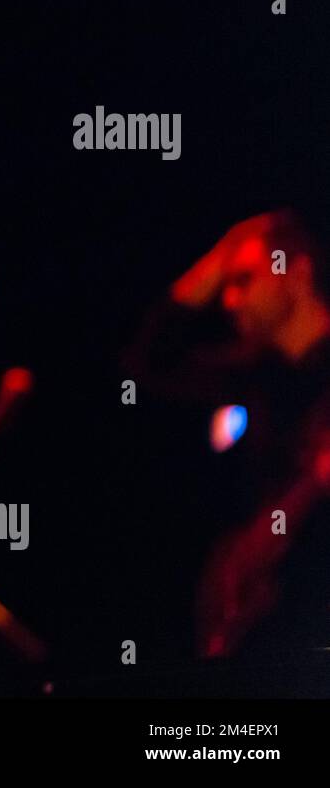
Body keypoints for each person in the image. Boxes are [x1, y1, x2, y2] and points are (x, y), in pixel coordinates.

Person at [122, 208, 330, 671]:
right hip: (264, 628)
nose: (230, 300)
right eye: (226, 286)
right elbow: (150, 361)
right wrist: (217, 260)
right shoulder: (251, 376)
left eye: (243, 280)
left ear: (295, 272)